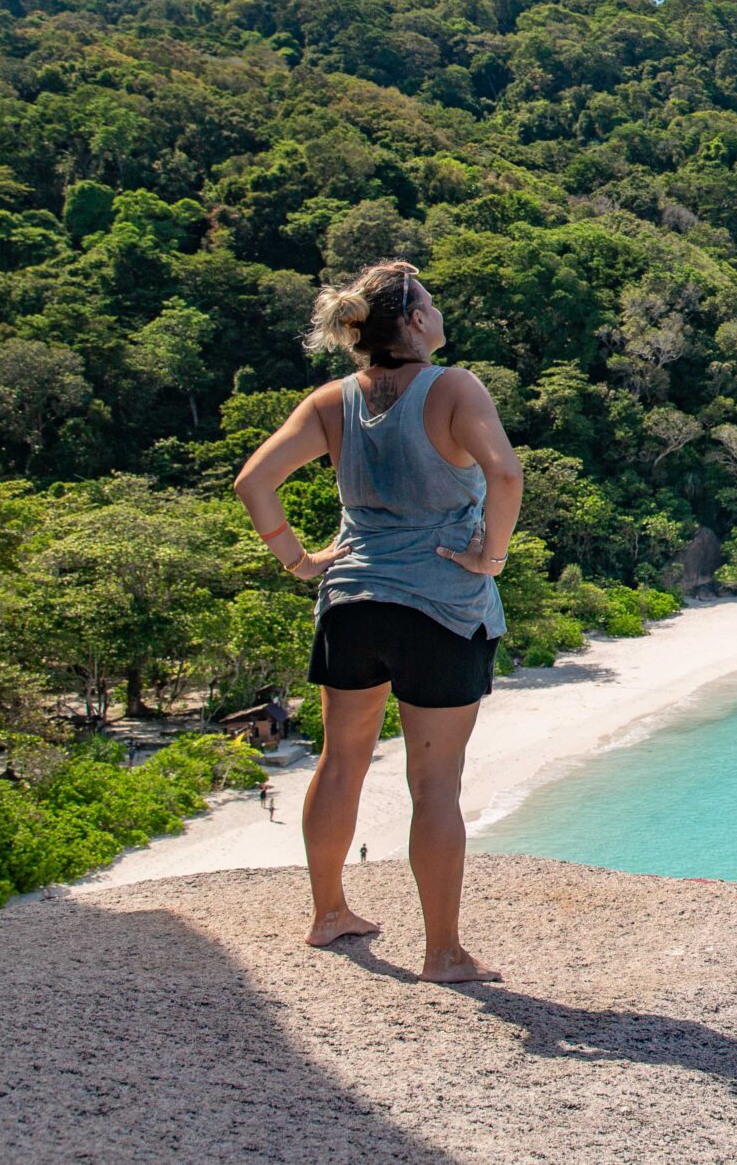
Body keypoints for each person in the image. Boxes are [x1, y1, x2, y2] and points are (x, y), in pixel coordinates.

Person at [234, 259, 523, 983]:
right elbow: (506, 474)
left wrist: (301, 561)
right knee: (435, 782)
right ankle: (443, 952)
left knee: (341, 761)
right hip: (442, 611)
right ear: (417, 322)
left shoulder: (333, 400)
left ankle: (329, 911)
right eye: (429, 300)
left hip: (352, 604)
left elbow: (254, 481)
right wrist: (492, 556)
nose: (437, 309)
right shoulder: (454, 388)